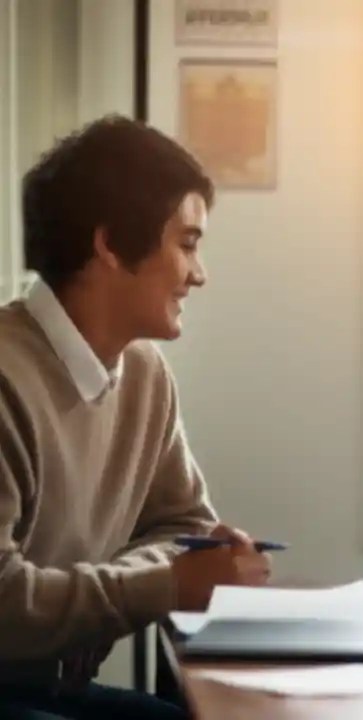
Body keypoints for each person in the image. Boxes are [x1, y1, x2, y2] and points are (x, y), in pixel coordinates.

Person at [0, 116, 273, 720]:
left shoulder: (145, 375)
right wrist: (161, 586)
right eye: (188, 243)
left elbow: (184, 526)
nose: (198, 274)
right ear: (110, 244)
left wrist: (120, 586)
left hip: (45, 690)